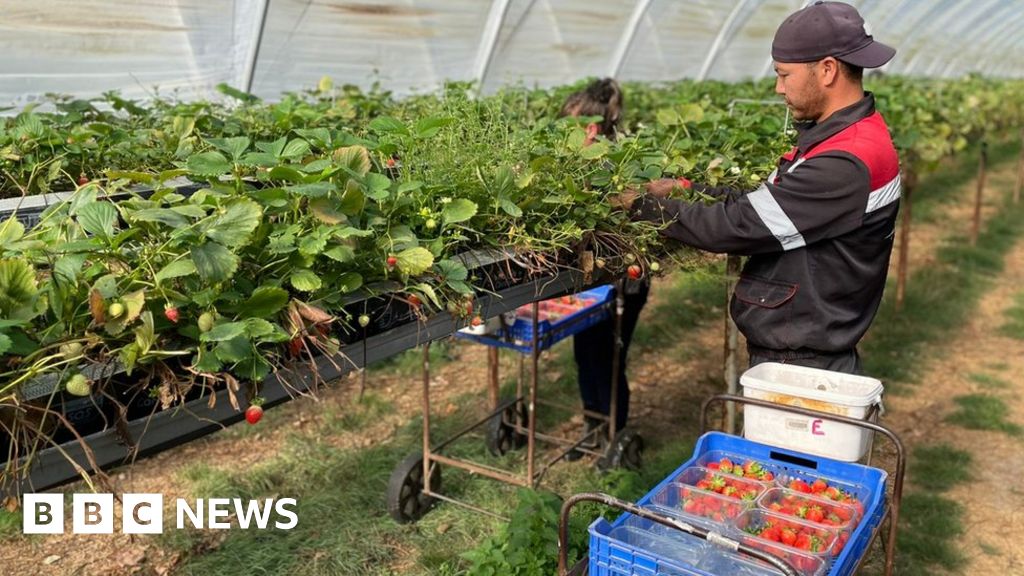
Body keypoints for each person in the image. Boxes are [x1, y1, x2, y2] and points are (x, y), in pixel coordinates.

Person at [614, 1, 899, 375]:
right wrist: (682, 188)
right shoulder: (843, 138)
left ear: (828, 70)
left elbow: (740, 225)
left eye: (785, 74)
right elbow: (768, 206)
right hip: (808, 345)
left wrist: (640, 206)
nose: (778, 87)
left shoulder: (846, 160)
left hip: (803, 360)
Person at [559, 79, 649, 456]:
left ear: (591, 128)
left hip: (622, 284)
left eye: (569, 128)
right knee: (585, 353)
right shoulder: (576, 166)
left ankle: (615, 435)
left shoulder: (619, 167)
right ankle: (593, 427)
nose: (563, 137)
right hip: (590, 282)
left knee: (610, 358)